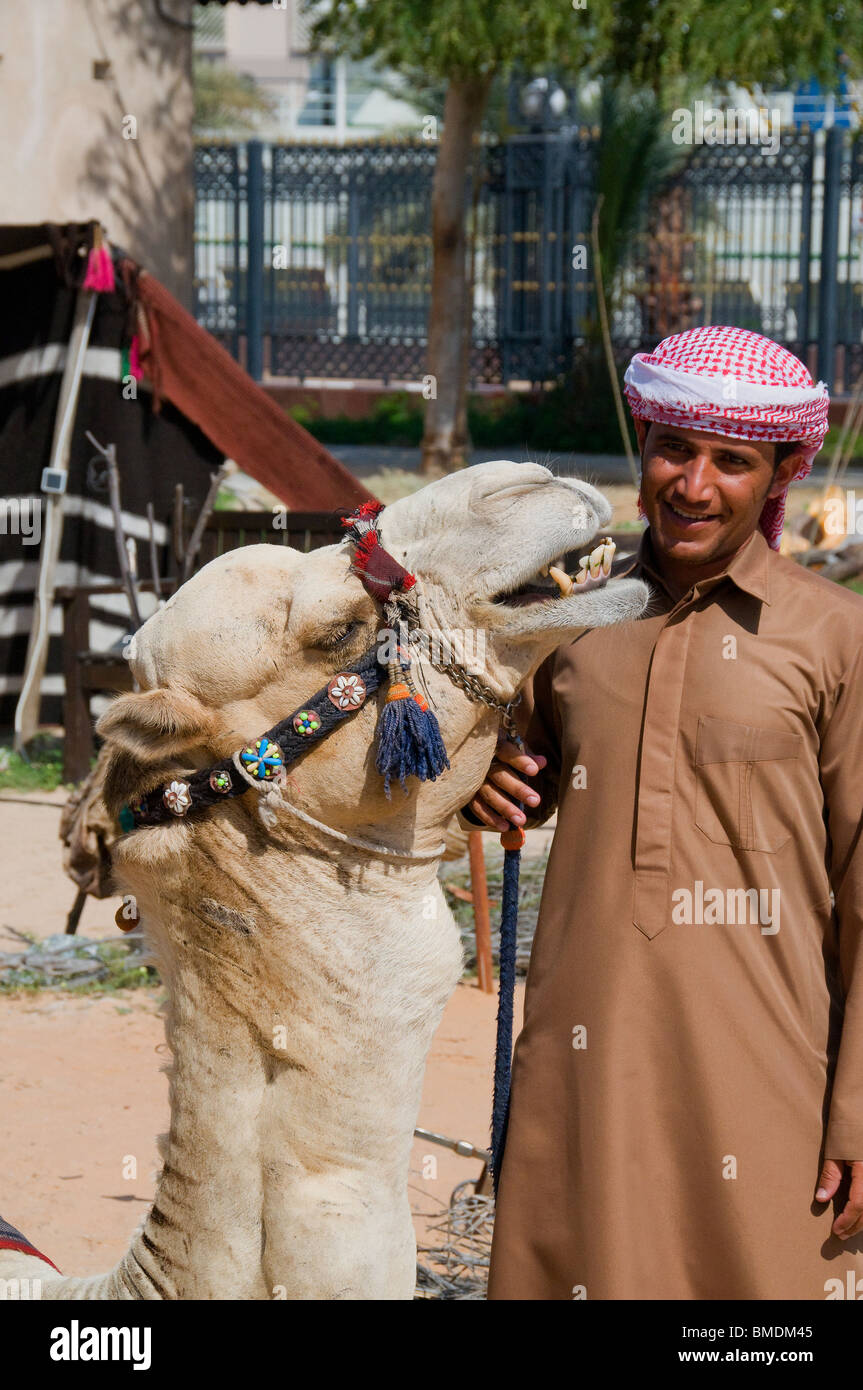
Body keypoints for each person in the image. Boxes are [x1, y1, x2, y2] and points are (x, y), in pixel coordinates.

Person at [464, 326, 863, 1299]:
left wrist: (854, 1107)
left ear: (775, 477)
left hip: (767, 1068)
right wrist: (481, 778)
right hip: (580, 1058)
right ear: (640, 449)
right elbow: (510, 781)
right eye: (673, 450)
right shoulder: (573, 621)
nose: (692, 484)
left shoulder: (832, 637)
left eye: (731, 461)